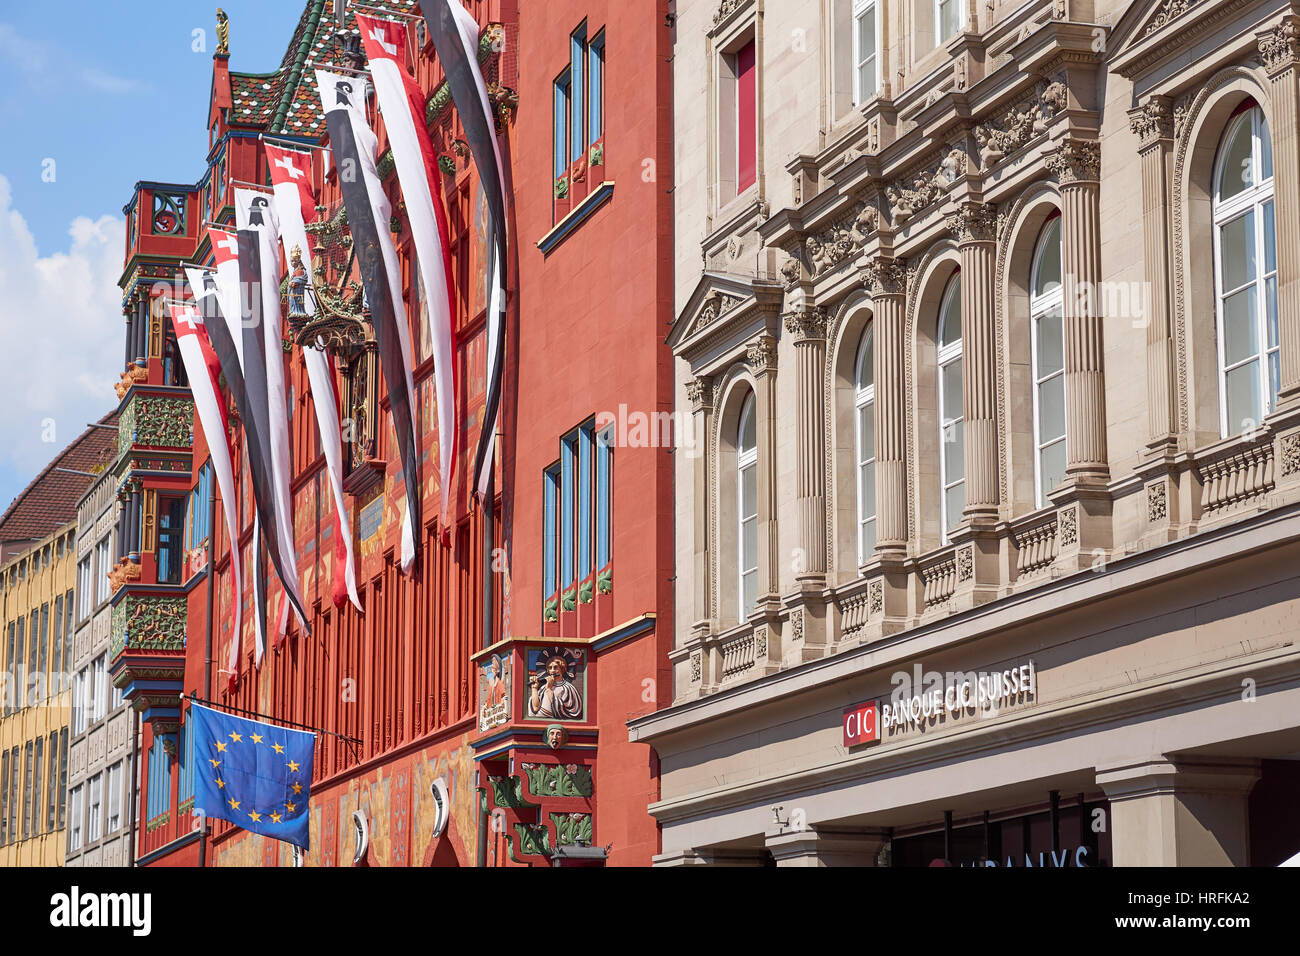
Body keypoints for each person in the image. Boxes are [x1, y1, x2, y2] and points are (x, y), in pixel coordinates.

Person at [529, 654, 582, 720]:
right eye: (550, 668)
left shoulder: (568, 688)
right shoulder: (543, 687)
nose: (553, 670)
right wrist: (534, 688)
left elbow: (563, 709)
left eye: (556, 667)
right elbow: (535, 708)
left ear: (562, 669)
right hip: (540, 718)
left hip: (555, 719)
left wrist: (548, 689)